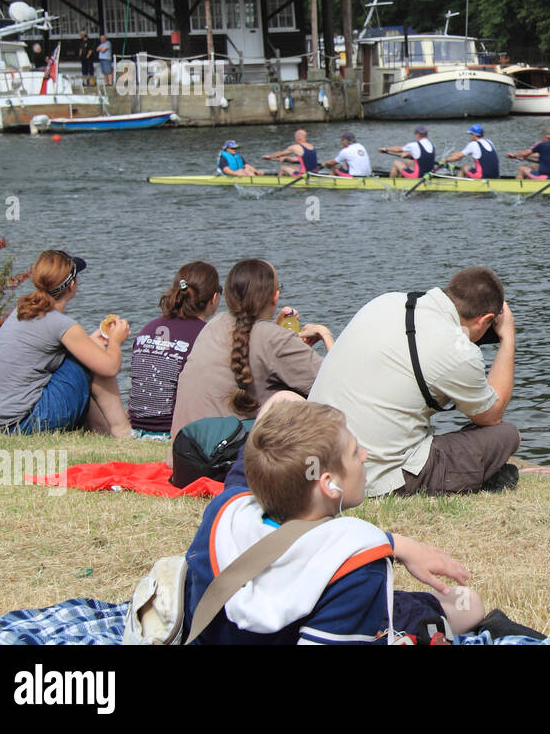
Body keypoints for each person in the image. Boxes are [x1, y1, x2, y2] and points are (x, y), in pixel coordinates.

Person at [183, 398, 487, 643]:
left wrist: (396, 544)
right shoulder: (359, 571)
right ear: (329, 485)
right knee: (466, 603)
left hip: (219, 631)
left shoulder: (225, 509)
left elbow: (279, 402)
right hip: (327, 617)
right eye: (355, 453)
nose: (365, 456)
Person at [307, 267, 519, 498]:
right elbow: (491, 415)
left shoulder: (385, 302)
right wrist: (507, 337)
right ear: (487, 319)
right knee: (505, 435)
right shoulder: (458, 350)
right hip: (372, 478)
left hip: (318, 462)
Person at [170, 259, 333, 465]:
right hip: (223, 461)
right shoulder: (274, 339)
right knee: (292, 397)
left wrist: (276, 330)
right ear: (275, 297)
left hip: (184, 457)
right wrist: (325, 334)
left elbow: (249, 345)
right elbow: (336, 384)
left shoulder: (215, 324)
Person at [0, 250, 132, 438]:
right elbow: (110, 367)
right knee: (95, 359)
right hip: (24, 423)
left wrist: (90, 343)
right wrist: (115, 341)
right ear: (72, 286)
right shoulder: (60, 324)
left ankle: (101, 430)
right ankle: (122, 430)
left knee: (88, 356)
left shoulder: (21, 312)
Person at [127, 262, 222, 437]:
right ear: (214, 298)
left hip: (135, 428)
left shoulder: (148, 328)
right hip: (173, 432)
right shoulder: (206, 334)